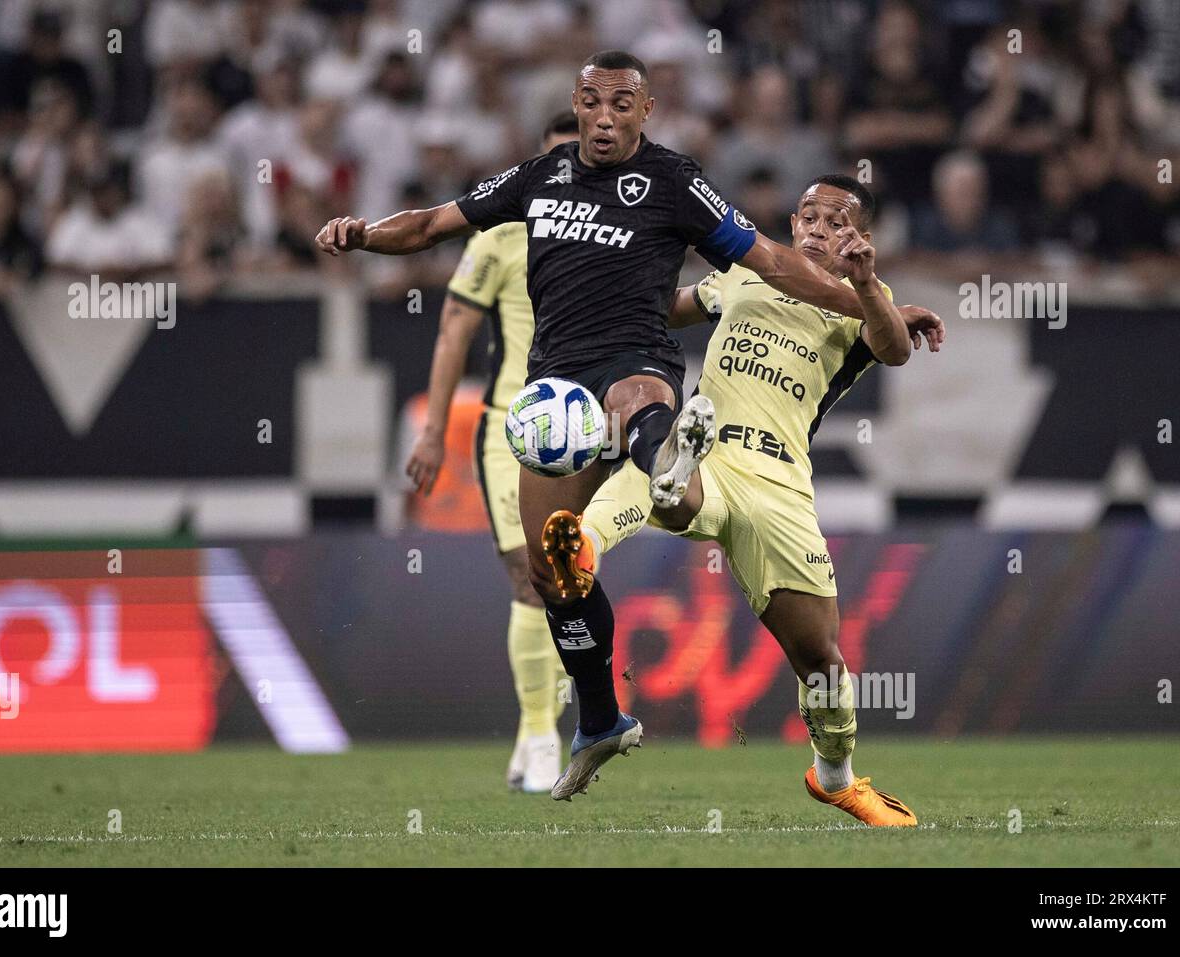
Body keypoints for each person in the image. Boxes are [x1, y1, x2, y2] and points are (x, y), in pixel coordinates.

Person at [316, 51, 940, 801]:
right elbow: (429, 224)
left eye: (622, 104)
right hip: (554, 387)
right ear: (576, 105)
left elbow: (779, 265)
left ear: (646, 111)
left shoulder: (676, 181)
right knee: (554, 570)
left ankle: (668, 461)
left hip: (658, 384)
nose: (605, 117)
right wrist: (361, 235)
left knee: (810, 642)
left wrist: (875, 298)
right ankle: (601, 717)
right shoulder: (537, 179)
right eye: (591, 102)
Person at [558, 175, 944, 825]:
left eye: (837, 220)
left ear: (861, 236)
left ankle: (836, 777)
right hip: (711, 449)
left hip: (777, 479)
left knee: (820, 654)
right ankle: (585, 545)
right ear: (793, 223)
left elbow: (894, 349)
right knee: (663, 471)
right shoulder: (746, 272)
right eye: (810, 216)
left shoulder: (862, 299)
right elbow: (665, 307)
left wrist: (870, 284)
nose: (820, 228)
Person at [404, 112, 580, 793]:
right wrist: (431, 430)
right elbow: (454, 328)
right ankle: (541, 734)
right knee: (531, 578)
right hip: (515, 425)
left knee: (570, 585)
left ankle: (530, 727)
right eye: (556, 158)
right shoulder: (503, 233)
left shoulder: (623, 234)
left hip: (592, 434)